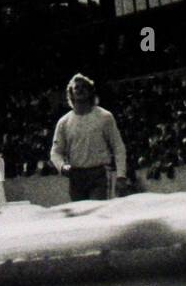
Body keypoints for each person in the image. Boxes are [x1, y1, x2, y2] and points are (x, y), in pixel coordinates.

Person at [50, 73, 129, 201]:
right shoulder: (64, 122)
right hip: (76, 176)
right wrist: (62, 166)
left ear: (90, 91)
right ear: (71, 93)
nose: (80, 90)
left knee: (97, 213)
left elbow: (118, 146)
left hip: (99, 174)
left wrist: (121, 176)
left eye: (83, 87)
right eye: (76, 87)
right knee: (81, 218)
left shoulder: (104, 117)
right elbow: (55, 152)